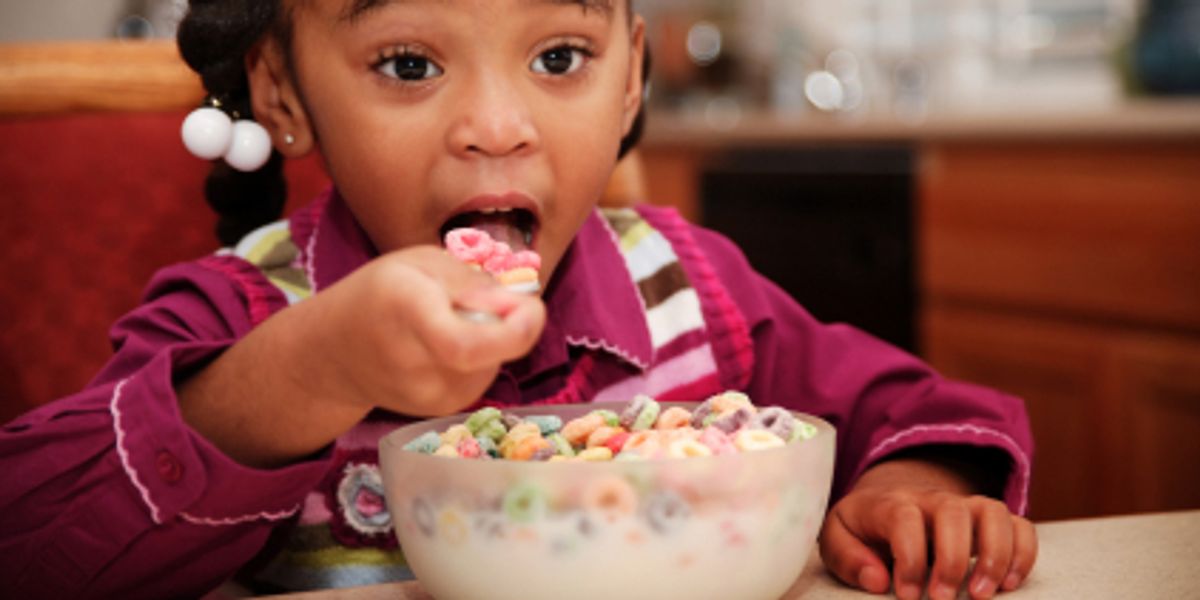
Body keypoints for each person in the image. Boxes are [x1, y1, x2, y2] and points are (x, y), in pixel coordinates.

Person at [0, 1, 1037, 598]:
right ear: (280, 92)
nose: (497, 126)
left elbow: (912, 409)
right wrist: (309, 372)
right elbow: (29, 543)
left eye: (560, 58)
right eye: (409, 65)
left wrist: (925, 490)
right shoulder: (235, 317)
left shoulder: (694, 290)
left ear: (631, 74)